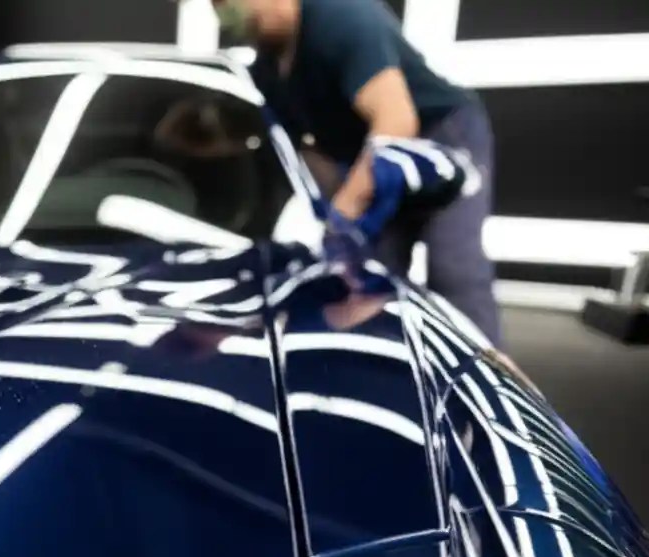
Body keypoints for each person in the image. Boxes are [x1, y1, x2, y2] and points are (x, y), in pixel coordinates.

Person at [210, 0, 503, 345]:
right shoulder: (269, 69)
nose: (223, 11)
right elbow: (300, 151)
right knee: (371, 273)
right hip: (370, 151)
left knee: (452, 264)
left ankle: (490, 362)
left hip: (439, 136)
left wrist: (344, 213)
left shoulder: (340, 15)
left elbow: (396, 120)